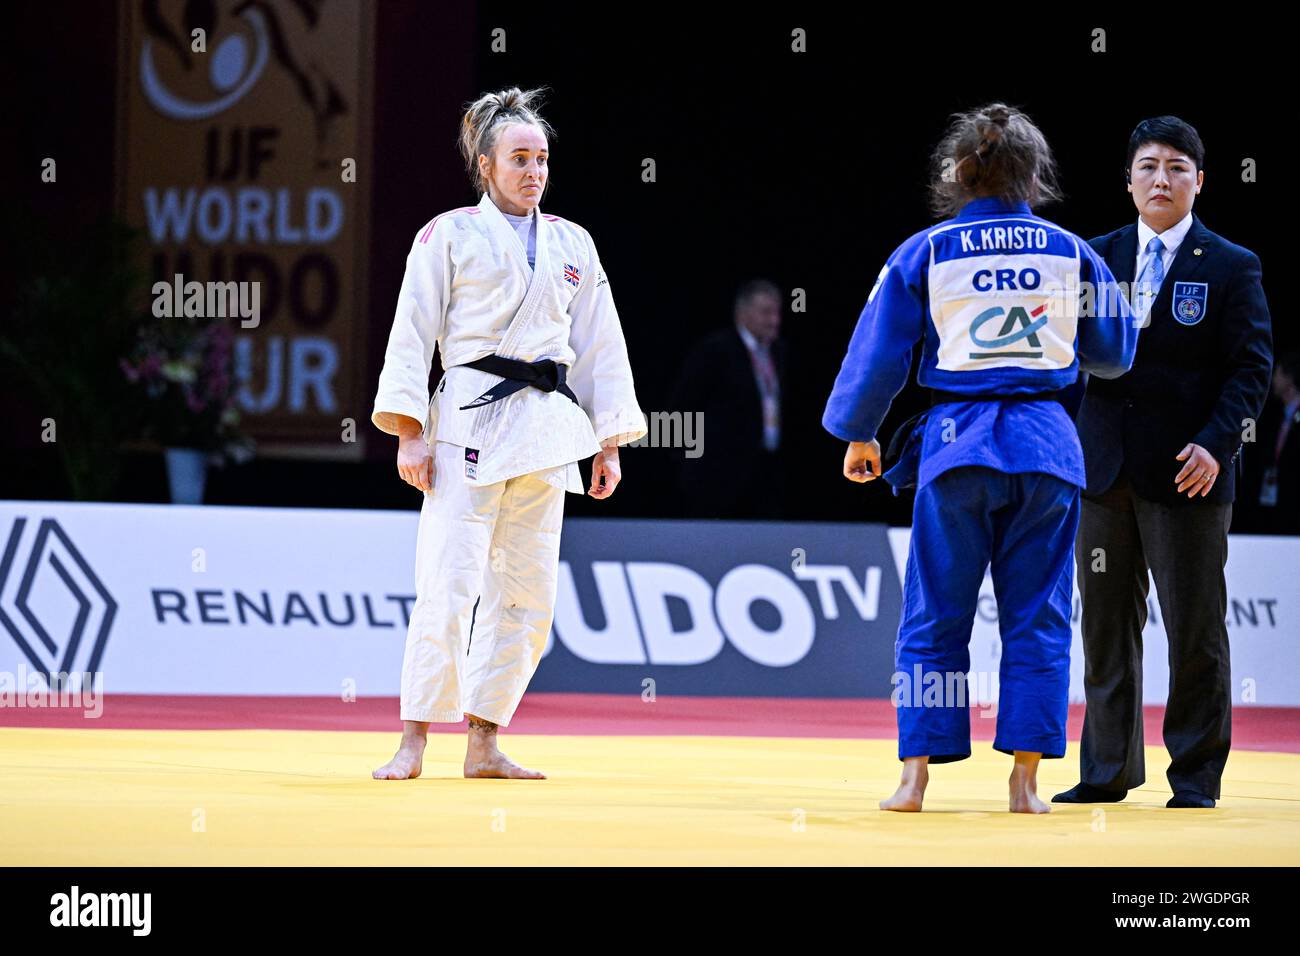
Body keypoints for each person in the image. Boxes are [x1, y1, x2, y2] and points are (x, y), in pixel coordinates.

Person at [822, 104, 1137, 812]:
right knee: (1039, 616)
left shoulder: (928, 251)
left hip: (955, 447)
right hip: (1048, 450)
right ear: (1032, 174)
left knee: (935, 614)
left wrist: (861, 433)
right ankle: (1025, 783)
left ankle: (915, 778)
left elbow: (880, 352)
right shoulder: (1069, 251)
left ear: (961, 172)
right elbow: (1115, 355)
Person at [370, 88, 647, 780]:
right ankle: (413, 739)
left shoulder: (573, 243)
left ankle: (485, 741)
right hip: (468, 414)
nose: (533, 171)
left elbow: (600, 345)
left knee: (526, 594)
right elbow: (412, 334)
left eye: (542, 159)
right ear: (486, 166)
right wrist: (409, 432)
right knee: (449, 580)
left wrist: (608, 441)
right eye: (519, 159)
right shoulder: (448, 235)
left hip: (546, 427)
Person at [1055, 116, 1273, 809]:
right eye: (1147, 166)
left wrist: (1218, 443)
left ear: (1200, 181)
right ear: (1128, 182)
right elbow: (1065, 361)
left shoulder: (1233, 265)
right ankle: (1107, 769)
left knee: (1195, 631)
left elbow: (1251, 370)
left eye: (1178, 167)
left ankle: (1197, 775)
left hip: (1190, 470)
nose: (1161, 178)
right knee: (1104, 627)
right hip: (1101, 471)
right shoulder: (1093, 257)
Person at [669, 280, 787, 519]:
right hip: (717, 474)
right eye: (766, 312)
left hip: (765, 469)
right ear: (743, 313)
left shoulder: (780, 353)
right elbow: (683, 406)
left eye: (777, 313)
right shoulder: (714, 350)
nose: (774, 321)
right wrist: (686, 463)